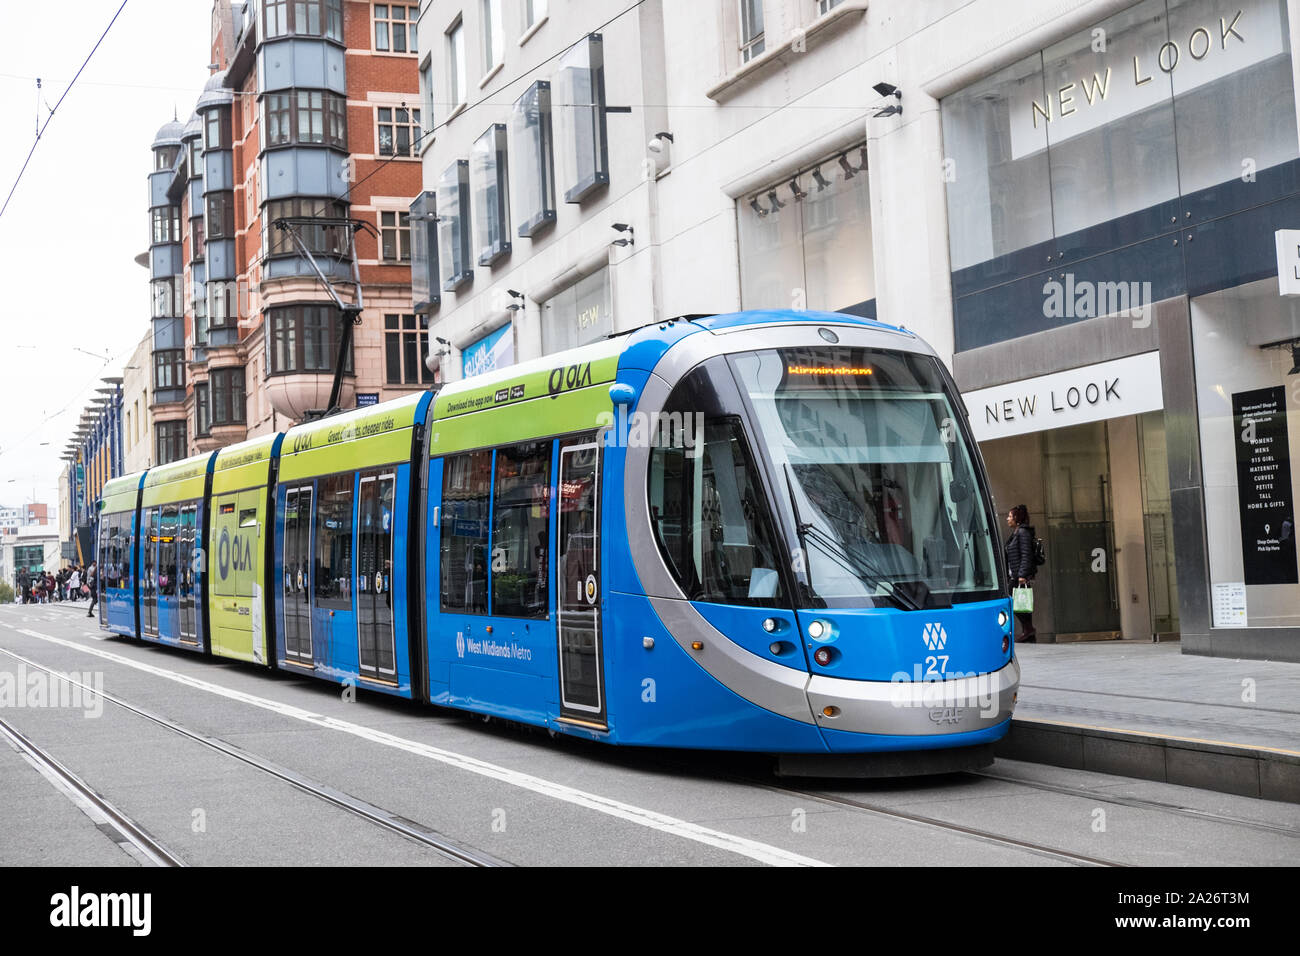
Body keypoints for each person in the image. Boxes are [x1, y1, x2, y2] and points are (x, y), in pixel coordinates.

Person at [1004, 504, 1037, 643]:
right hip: (1015, 575)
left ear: (1017, 518)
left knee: (1017, 603)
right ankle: (1028, 631)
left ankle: (1028, 630)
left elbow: (1026, 555)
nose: (1007, 519)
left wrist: (1022, 575)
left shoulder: (1022, 533)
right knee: (1019, 603)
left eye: (1010, 516)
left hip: (1019, 576)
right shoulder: (1017, 532)